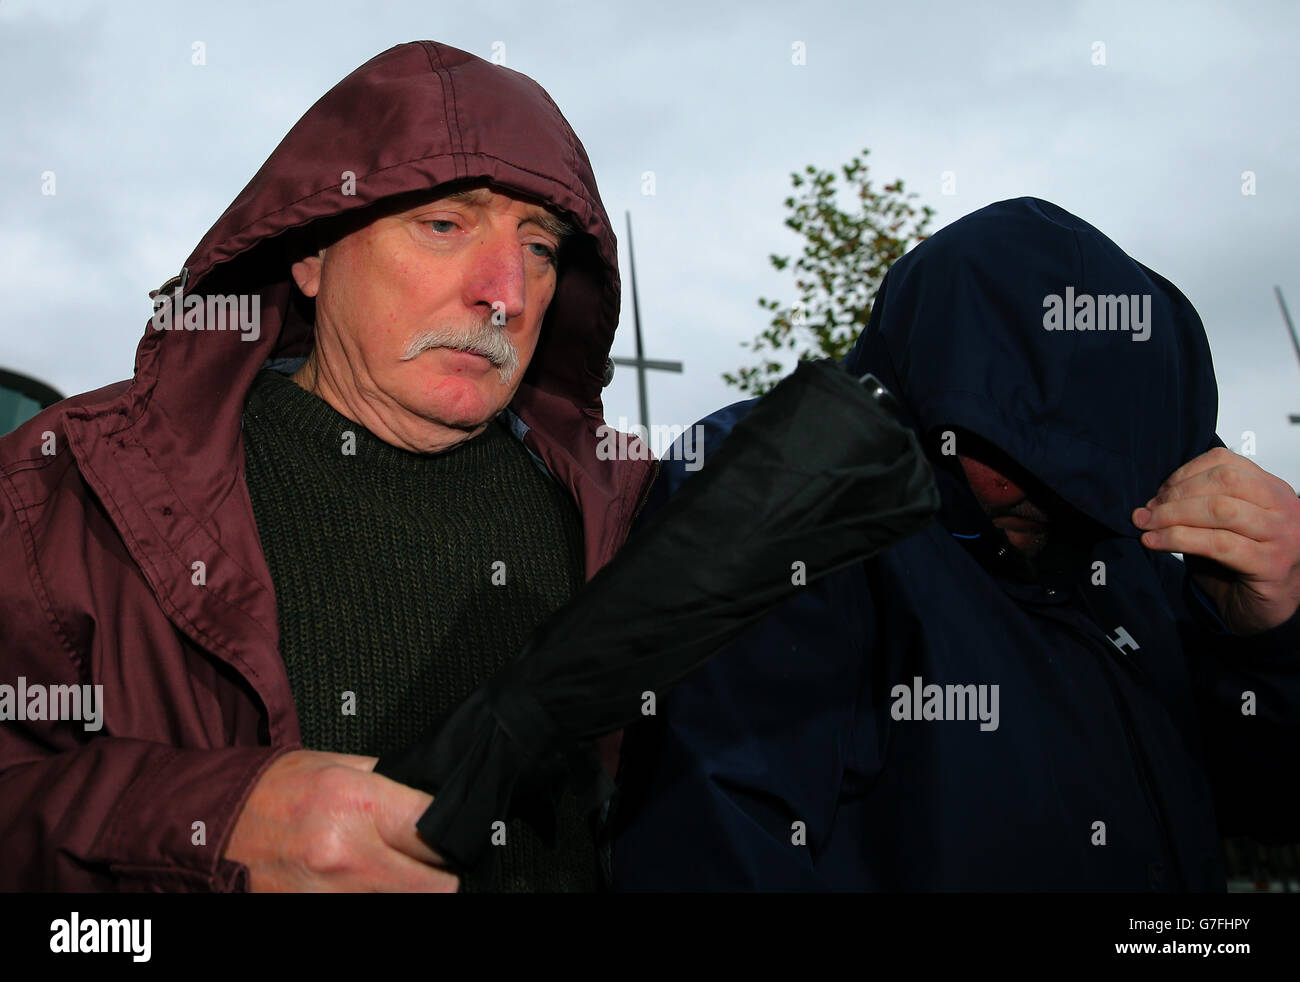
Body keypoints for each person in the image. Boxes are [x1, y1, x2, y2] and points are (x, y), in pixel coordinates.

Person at [0, 41, 655, 892]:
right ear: (310, 255)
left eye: (539, 246)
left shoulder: (631, 514)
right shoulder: (68, 487)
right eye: (446, 224)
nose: (507, 293)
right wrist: (209, 824)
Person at [611, 197, 1300, 890]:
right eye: (1010, 448)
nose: (1045, 493)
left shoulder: (1128, 562)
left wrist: (1268, 641)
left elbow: (1264, 808)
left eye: (1081, 470)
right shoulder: (789, 499)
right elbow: (713, 841)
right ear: (929, 397)